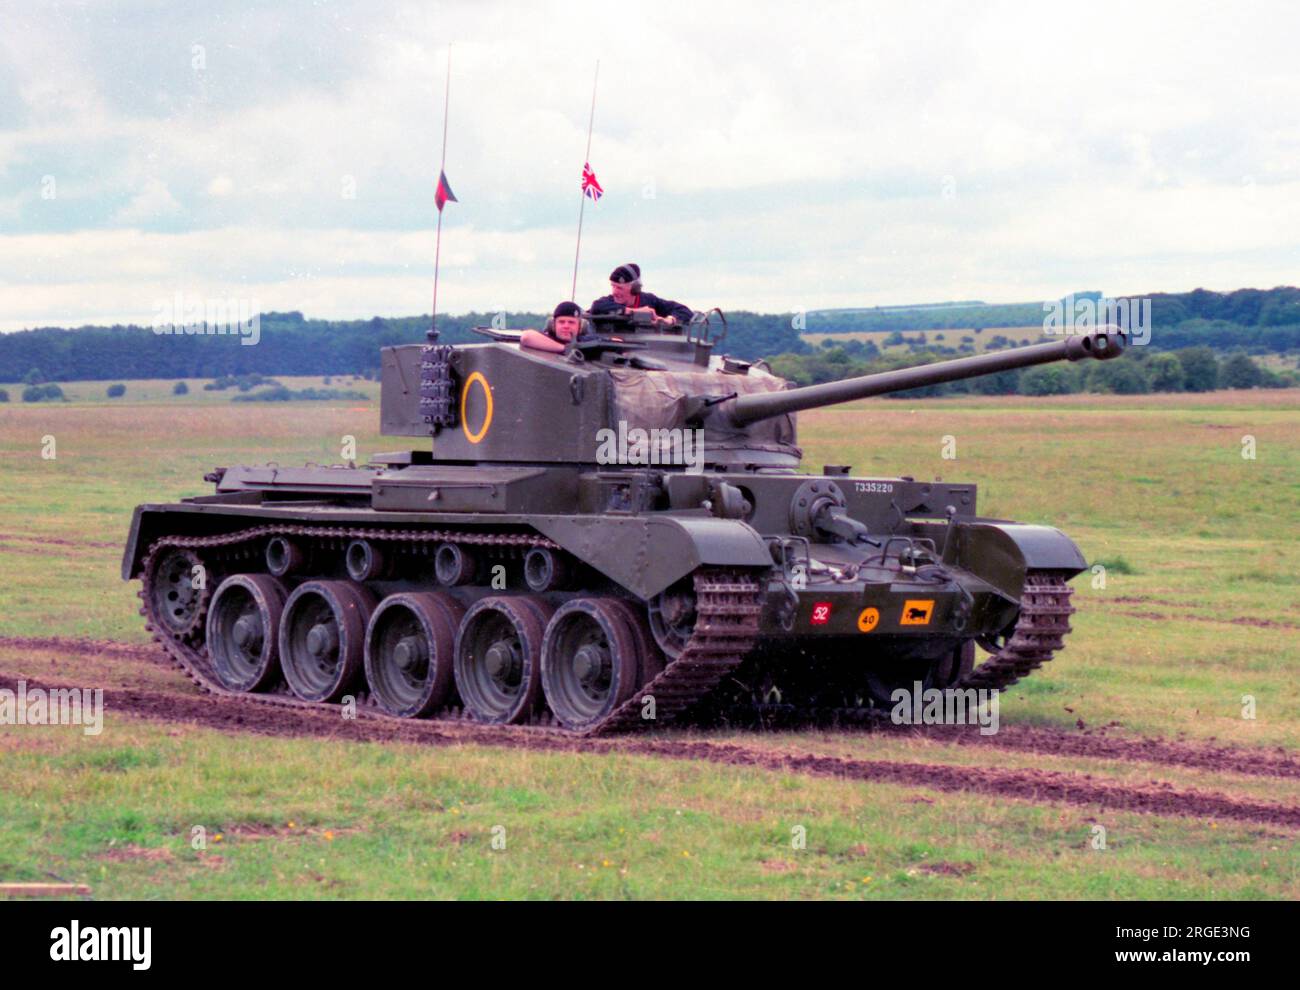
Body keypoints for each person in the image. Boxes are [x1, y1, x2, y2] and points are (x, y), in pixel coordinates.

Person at [590, 263, 693, 325]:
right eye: (613, 286)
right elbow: (596, 306)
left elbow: (685, 311)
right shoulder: (608, 302)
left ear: (635, 288)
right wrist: (633, 311)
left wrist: (669, 320)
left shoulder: (650, 301)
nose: (615, 292)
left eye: (620, 288)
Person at [520, 301, 587, 353]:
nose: (566, 326)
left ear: (580, 326)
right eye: (561, 322)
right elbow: (526, 337)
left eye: (571, 322)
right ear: (553, 325)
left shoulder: (586, 342)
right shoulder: (547, 339)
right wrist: (565, 348)